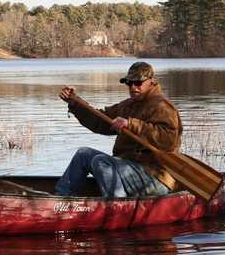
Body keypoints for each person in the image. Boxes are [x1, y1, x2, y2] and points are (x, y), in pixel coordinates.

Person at [55, 61, 181, 198]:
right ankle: (60, 198)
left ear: (152, 81)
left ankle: (117, 204)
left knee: (101, 162)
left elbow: (169, 140)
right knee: (83, 154)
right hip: (127, 168)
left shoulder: (162, 106)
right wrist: (75, 103)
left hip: (155, 177)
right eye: (129, 83)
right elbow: (99, 121)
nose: (133, 87)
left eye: (138, 83)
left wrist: (131, 124)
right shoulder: (127, 106)